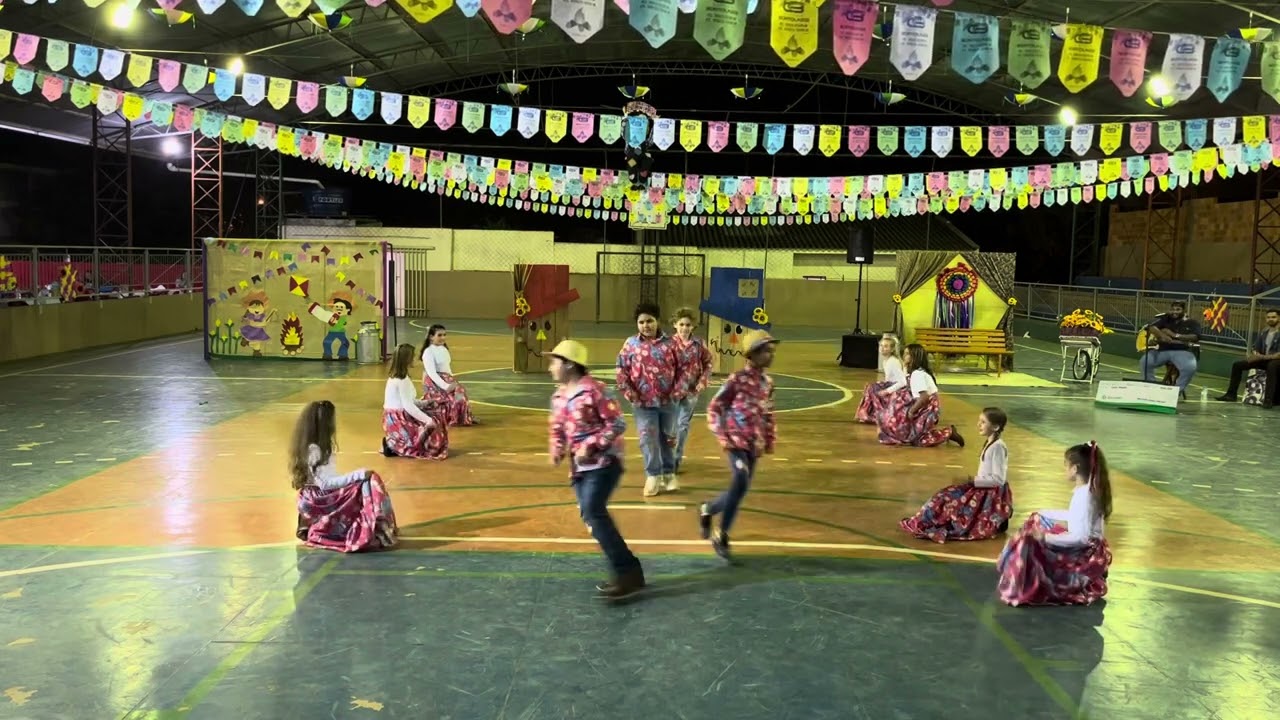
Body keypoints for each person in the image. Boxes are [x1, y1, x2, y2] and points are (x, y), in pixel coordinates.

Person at [548, 339, 646, 600]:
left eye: (555, 361)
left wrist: (591, 445)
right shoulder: (558, 396)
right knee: (592, 517)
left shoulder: (596, 391)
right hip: (579, 468)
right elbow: (557, 428)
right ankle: (631, 571)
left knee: (593, 511)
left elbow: (617, 424)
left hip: (605, 463)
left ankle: (626, 573)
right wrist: (557, 448)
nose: (551, 367)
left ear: (569, 365)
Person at [996, 441, 1113, 607]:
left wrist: (1045, 537)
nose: (1064, 470)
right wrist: (1045, 513)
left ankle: (1029, 584)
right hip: (1088, 546)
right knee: (1037, 518)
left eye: (1066, 466)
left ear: (1075, 469)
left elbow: (1080, 538)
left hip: (1083, 553)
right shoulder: (1087, 490)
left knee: (1027, 540)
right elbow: (1076, 517)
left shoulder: (1084, 497)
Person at [701, 329, 778, 561]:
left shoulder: (768, 383)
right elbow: (715, 408)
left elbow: (768, 412)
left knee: (740, 489)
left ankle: (707, 510)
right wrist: (722, 436)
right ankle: (721, 534)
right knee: (741, 478)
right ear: (752, 354)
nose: (770, 355)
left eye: (772, 351)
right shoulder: (737, 379)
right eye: (766, 351)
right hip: (735, 440)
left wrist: (770, 438)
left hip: (753, 443)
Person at [291, 400, 398, 553]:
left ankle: (373, 526)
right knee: (368, 482)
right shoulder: (314, 449)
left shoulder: (320, 445)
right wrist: (358, 474)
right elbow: (325, 483)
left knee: (367, 480)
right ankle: (370, 529)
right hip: (319, 498)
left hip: (320, 493)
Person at [900, 407, 1012, 543]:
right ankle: (925, 520)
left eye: (983, 422)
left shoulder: (998, 447)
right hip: (982, 486)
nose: (978, 425)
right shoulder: (991, 442)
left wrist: (972, 481)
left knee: (947, 498)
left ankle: (931, 522)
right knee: (943, 495)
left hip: (989, 493)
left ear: (995, 427)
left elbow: (999, 480)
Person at [615, 302, 690, 497]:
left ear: (658, 321)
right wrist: (630, 392)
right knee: (648, 439)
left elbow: (684, 371)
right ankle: (653, 475)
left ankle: (668, 473)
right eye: (641, 322)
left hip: (668, 402)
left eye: (650, 321)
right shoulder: (630, 344)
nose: (646, 325)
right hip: (643, 404)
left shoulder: (672, 344)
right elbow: (621, 370)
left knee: (667, 438)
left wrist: (678, 390)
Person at [873, 343, 964, 448]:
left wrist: (911, 411)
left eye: (907, 354)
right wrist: (891, 393)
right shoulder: (914, 372)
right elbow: (906, 385)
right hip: (923, 404)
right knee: (915, 435)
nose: (904, 356)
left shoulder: (918, 374)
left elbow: (924, 397)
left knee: (920, 440)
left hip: (926, 406)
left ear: (914, 358)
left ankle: (949, 433)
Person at [383, 343, 448, 459]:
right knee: (434, 420)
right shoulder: (402, 380)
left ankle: (396, 444)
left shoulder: (395, 376)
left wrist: (425, 403)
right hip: (399, 419)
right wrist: (428, 420)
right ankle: (397, 445)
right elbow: (408, 406)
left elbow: (408, 401)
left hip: (392, 417)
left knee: (431, 410)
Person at [671, 307, 714, 473]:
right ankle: (666, 456)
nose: (684, 328)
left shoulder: (699, 344)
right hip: (671, 393)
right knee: (670, 428)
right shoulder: (668, 344)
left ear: (692, 326)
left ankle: (676, 459)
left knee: (682, 426)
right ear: (675, 325)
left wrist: (703, 380)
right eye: (681, 324)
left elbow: (708, 363)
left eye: (688, 324)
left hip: (691, 392)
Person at [1215, 308, 1280, 406]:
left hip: (1276, 361)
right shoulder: (1263, 332)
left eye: (1273, 317)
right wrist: (1254, 354)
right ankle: (1231, 395)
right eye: (1268, 317)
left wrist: (1261, 357)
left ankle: (1268, 400)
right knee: (1238, 365)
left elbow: (1278, 355)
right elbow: (1255, 348)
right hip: (1264, 359)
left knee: (1272, 366)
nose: (1270, 319)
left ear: (1279, 318)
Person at [1140, 300, 1200, 399]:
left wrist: (1175, 335)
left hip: (1182, 351)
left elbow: (1195, 337)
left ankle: (1175, 393)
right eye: (1172, 309)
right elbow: (1151, 327)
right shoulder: (1165, 319)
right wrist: (1162, 335)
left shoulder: (1192, 322)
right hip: (1162, 350)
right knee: (1145, 362)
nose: (1174, 312)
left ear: (1184, 310)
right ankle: (1151, 388)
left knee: (1190, 367)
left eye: (1178, 309)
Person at [420, 323, 476, 426]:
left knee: (460, 393)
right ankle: (451, 418)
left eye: (444, 335)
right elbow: (431, 373)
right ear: (431, 337)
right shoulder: (428, 352)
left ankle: (462, 418)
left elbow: (447, 368)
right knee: (451, 398)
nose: (443, 338)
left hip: (446, 379)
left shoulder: (444, 349)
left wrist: (453, 381)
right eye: (439, 335)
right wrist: (446, 386)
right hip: (435, 383)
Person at [855, 334, 908, 423]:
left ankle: (874, 416)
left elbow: (903, 382)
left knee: (872, 388)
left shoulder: (893, 362)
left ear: (892, 349)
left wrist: (886, 391)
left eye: (886, 346)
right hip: (892, 385)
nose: (882, 348)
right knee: (871, 387)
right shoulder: (886, 361)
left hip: (899, 390)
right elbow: (889, 379)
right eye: (881, 346)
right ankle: (870, 414)